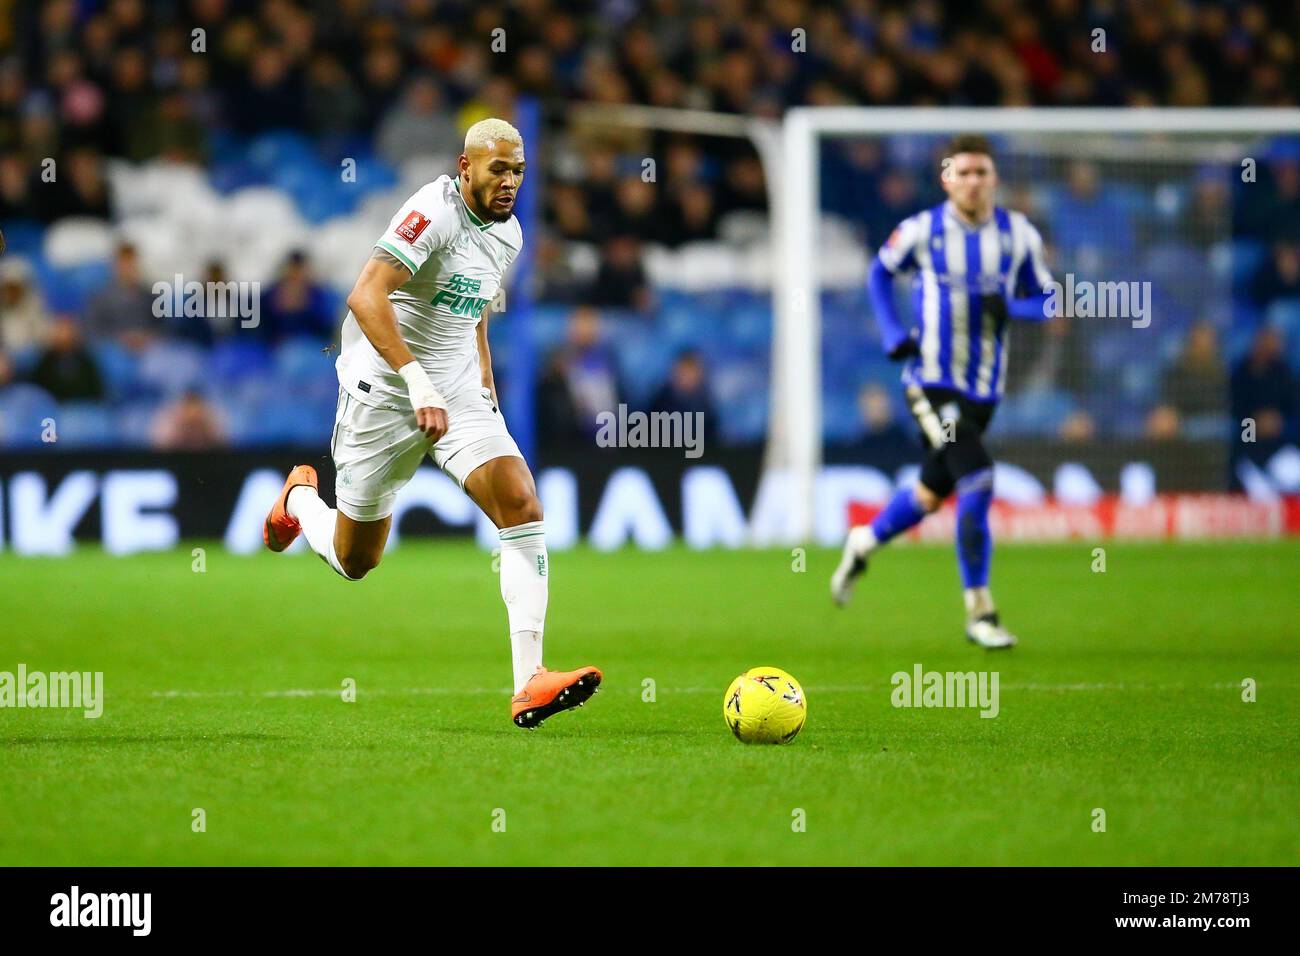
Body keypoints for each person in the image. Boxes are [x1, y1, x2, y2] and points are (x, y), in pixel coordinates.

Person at [261, 119, 601, 729]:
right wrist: (417, 382)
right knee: (356, 560)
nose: (509, 182)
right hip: (384, 392)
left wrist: (484, 374)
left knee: (521, 503)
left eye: (518, 171)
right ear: (465, 166)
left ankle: (529, 682)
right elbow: (366, 296)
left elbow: (474, 303)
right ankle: (303, 501)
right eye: (497, 169)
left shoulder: (510, 233)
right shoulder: (433, 212)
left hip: (457, 394)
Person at [830, 134, 1055, 649]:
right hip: (931, 380)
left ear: (994, 179)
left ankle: (865, 539)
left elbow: (1046, 301)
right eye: (965, 172)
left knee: (933, 493)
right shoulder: (922, 230)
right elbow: (878, 274)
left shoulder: (1019, 235)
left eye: (983, 172)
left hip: (984, 390)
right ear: (947, 179)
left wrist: (1011, 308)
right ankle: (981, 611)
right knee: (976, 478)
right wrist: (891, 332)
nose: (974, 181)